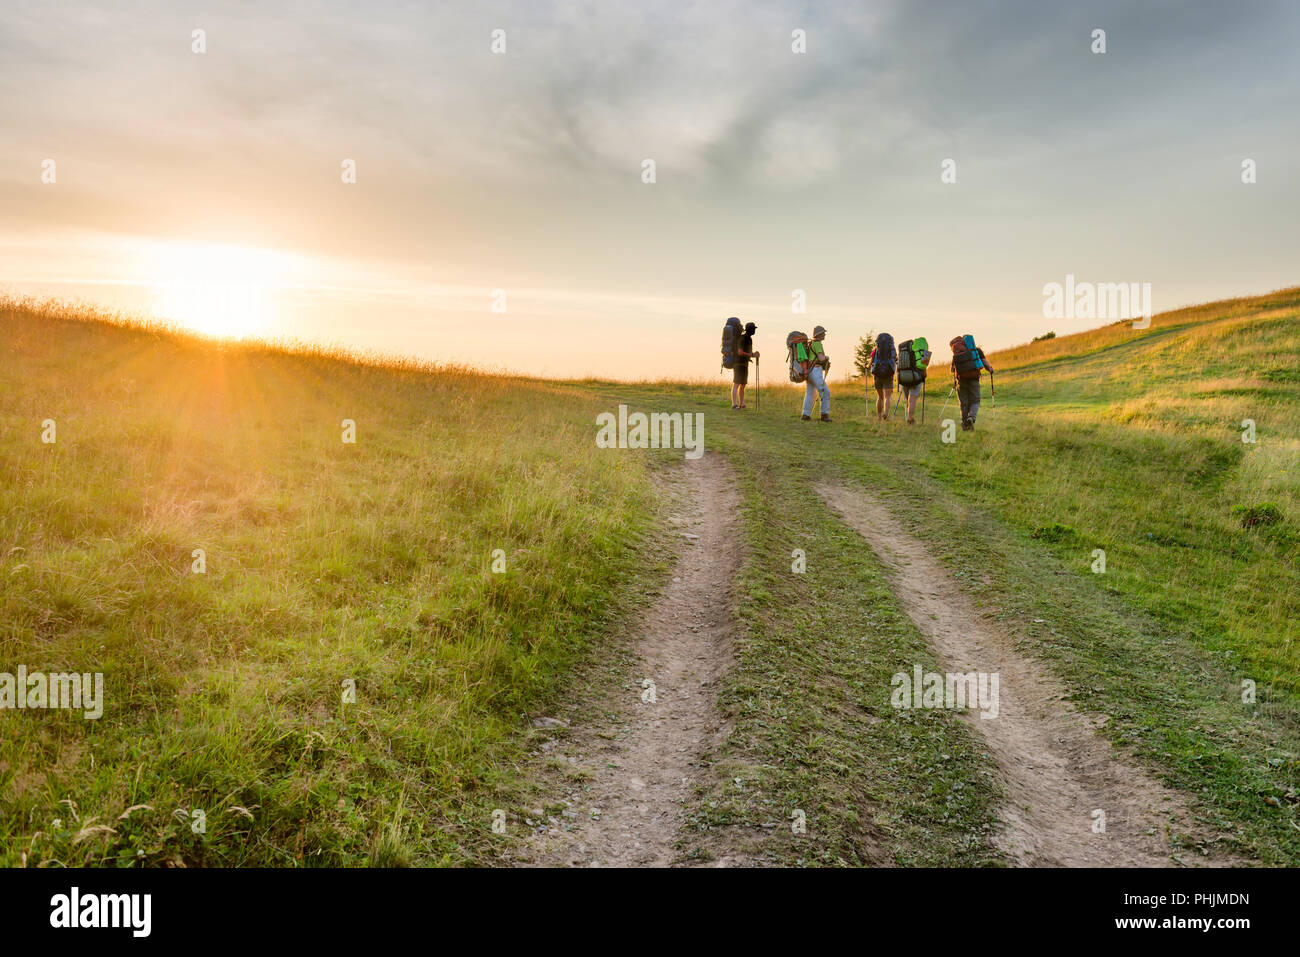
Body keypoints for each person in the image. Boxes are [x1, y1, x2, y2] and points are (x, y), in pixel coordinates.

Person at [952, 340, 994, 430]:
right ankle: (971, 417)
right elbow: (984, 362)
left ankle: (965, 424)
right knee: (975, 401)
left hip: (961, 381)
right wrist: (990, 369)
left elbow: (953, 369)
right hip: (974, 380)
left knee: (964, 403)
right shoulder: (976, 351)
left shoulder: (958, 353)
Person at [799, 325, 832, 422]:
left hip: (809, 371)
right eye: (823, 333)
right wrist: (827, 357)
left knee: (810, 393)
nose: (824, 334)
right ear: (819, 334)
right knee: (825, 392)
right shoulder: (817, 344)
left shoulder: (811, 343)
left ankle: (805, 415)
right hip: (815, 370)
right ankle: (824, 415)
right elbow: (821, 358)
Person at [901, 339, 932, 425]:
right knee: (912, 399)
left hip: (903, 377)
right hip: (916, 377)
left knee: (907, 399)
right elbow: (924, 367)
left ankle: (909, 418)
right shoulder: (923, 351)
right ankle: (910, 419)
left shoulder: (904, 351)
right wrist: (924, 375)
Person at [732, 321, 759, 409]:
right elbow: (740, 352)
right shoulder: (742, 338)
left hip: (744, 364)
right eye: (753, 329)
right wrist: (751, 355)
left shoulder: (749, 339)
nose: (754, 331)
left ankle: (742, 404)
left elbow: (748, 352)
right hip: (738, 363)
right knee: (736, 383)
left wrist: (754, 354)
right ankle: (734, 405)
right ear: (750, 330)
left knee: (743, 384)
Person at [869, 334, 896, 421]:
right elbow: (895, 358)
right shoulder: (892, 349)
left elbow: (871, 362)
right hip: (888, 374)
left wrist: (868, 366)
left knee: (880, 397)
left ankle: (879, 417)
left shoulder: (876, 350)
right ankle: (886, 414)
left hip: (877, 374)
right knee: (888, 396)